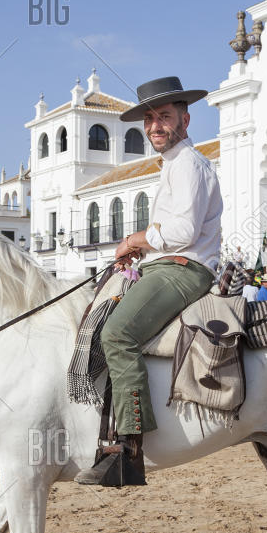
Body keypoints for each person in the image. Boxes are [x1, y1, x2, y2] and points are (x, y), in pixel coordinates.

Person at [77, 76, 222, 488]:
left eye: (165, 117)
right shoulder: (174, 166)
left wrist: (137, 239)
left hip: (183, 269)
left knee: (118, 334)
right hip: (164, 265)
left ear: (185, 119)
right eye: (150, 119)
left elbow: (184, 230)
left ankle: (130, 446)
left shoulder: (190, 164)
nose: (156, 126)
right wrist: (141, 248)